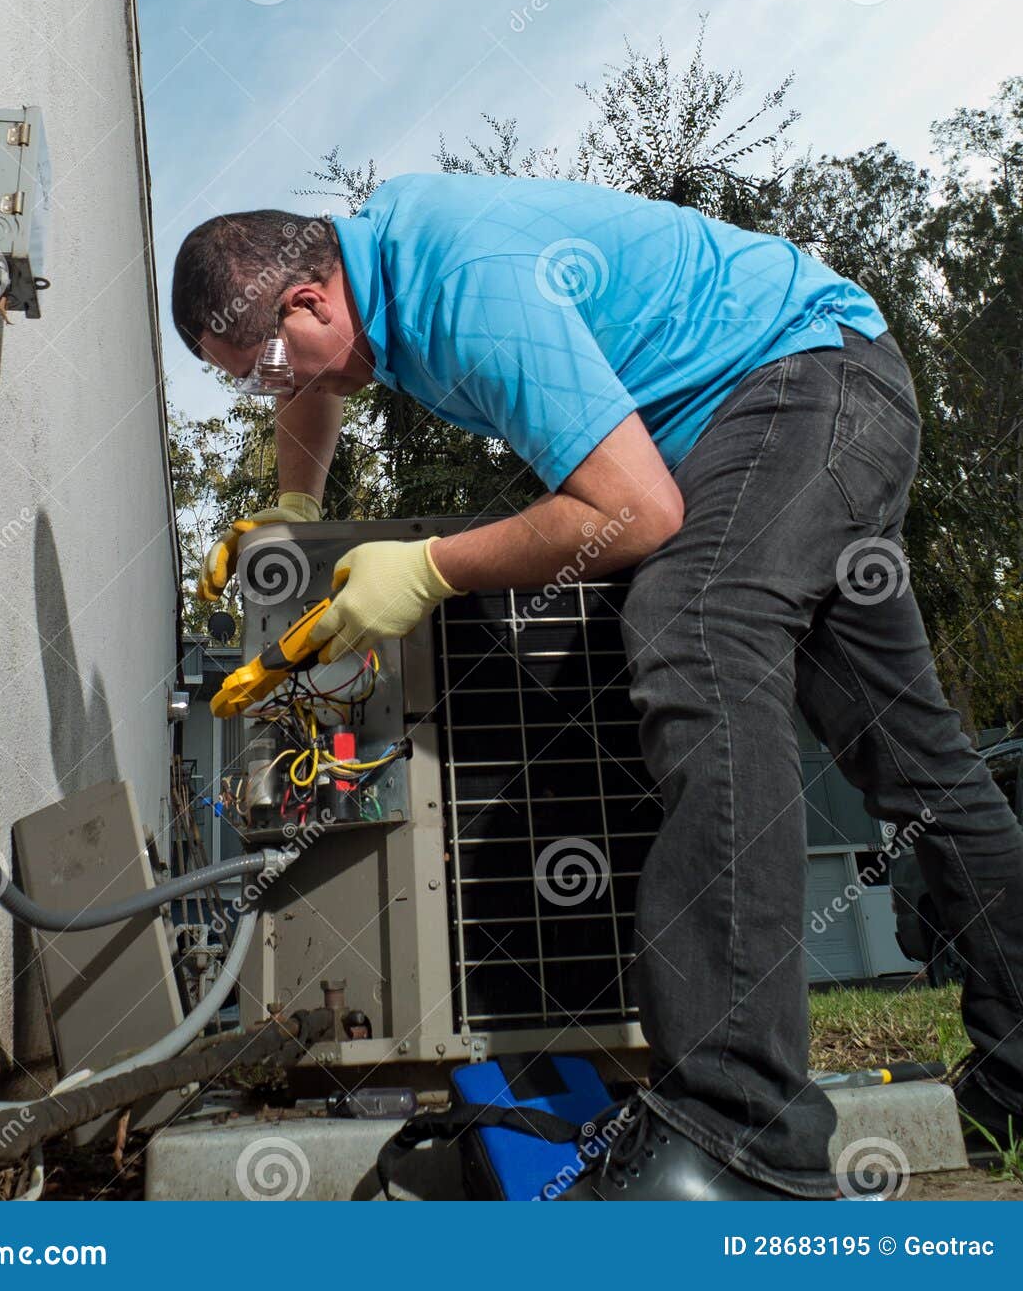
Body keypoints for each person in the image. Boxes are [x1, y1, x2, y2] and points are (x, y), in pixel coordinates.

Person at [172, 170, 1023, 1201]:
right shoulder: (365, 266)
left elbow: (636, 512)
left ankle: (740, 1130)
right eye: (247, 384)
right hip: (795, 406)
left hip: (803, 382)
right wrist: (295, 510)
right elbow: (314, 383)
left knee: (693, 624)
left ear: (310, 300)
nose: (272, 392)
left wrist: (432, 569)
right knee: (913, 756)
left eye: (262, 369)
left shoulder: (468, 287)